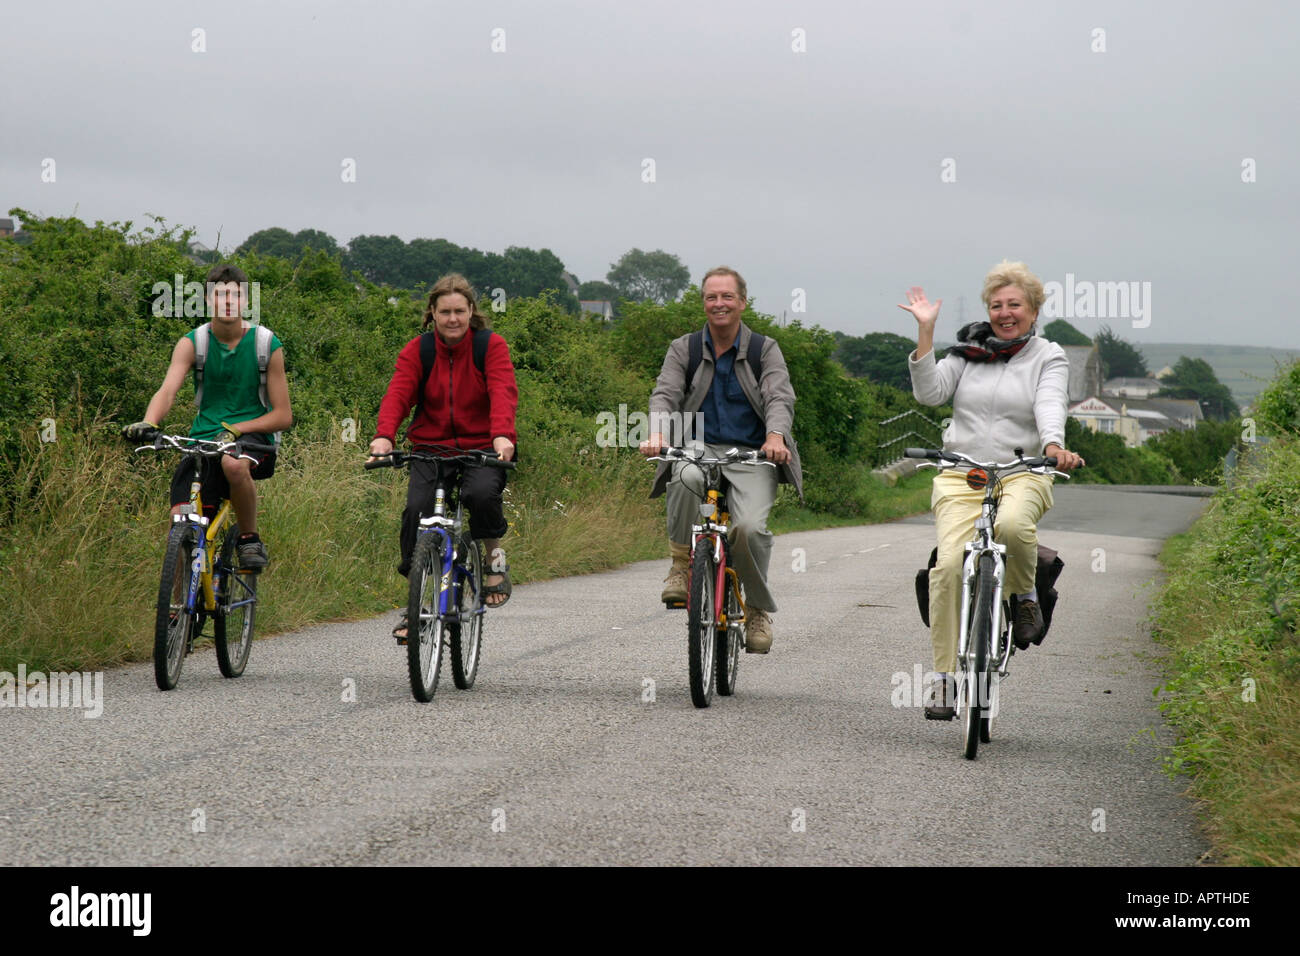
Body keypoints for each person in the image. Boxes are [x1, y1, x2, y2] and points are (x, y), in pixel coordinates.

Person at [900, 260, 1085, 720]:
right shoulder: (967, 352)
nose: (1005, 313)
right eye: (997, 305)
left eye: (1014, 305)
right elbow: (930, 393)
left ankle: (1024, 598)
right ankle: (944, 679)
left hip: (1025, 469)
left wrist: (1054, 445)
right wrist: (926, 333)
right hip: (963, 473)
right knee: (946, 568)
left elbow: (1049, 403)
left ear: (1033, 310)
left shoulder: (1049, 355)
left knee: (1011, 523)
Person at [639, 266, 803, 653]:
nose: (719, 304)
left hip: (753, 453)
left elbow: (780, 397)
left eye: (727, 296)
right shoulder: (686, 348)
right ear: (703, 304)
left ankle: (758, 609)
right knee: (682, 476)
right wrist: (658, 432)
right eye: (711, 297)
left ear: (742, 302)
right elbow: (665, 393)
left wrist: (776, 436)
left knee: (747, 528)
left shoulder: (765, 350)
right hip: (698, 446)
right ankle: (681, 564)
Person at [369, 273, 519, 641]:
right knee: (414, 510)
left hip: (482, 446)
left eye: (460, 311)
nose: (453, 319)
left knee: (480, 495)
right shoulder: (418, 351)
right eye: (445, 312)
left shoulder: (490, 346)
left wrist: (502, 434)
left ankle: (493, 555)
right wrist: (384, 438)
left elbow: (503, 391)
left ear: (471, 313)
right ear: (432, 314)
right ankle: (417, 596)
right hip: (430, 447)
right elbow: (398, 395)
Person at [123, 263, 292, 569]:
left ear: (245, 301)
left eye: (235, 295)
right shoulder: (193, 342)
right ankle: (177, 614)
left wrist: (236, 429)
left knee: (233, 464)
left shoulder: (266, 344)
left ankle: (249, 539)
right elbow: (167, 391)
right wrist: (150, 422)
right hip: (203, 441)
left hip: (253, 440)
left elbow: (282, 416)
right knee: (179, 524)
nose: (227, 301)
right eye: (220, 295)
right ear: (207, 300)